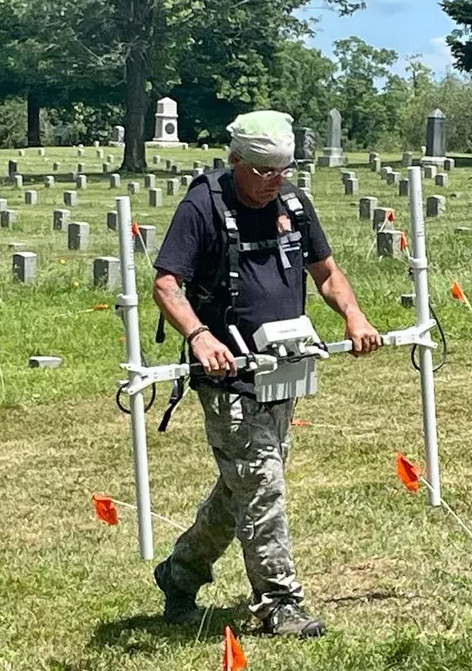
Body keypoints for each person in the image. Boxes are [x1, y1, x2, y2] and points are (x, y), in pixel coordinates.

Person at [149, 110, 380, 638]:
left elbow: (325, 271)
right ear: (236, 162)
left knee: (244, 489)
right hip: (228, 373)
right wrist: (198, 336)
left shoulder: (294, 204)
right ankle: (278, 602)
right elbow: (167, 284)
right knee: (262, 484)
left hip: (284, 367)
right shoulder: (202, 205)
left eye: (283, 170)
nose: (275, 181)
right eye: (263, 171)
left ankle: (179, 573)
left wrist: (353, 314)